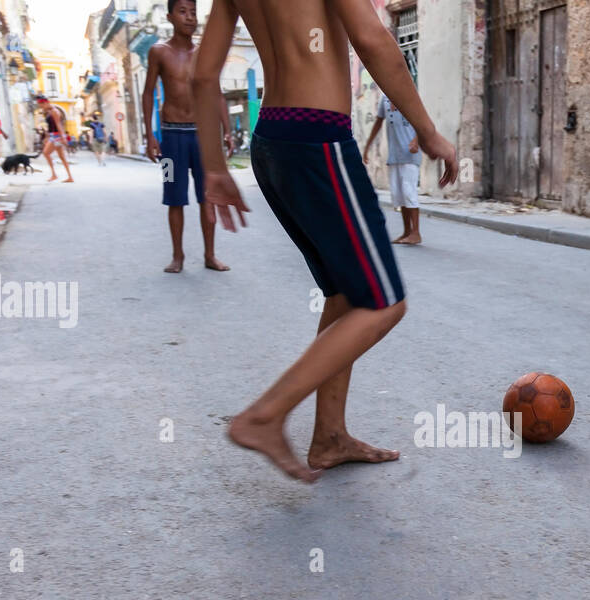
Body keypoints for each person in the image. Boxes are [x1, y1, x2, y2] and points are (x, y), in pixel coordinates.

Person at [194, 0, 457, 481]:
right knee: (383, 303)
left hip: (271, 142)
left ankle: (330, 438)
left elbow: (203, 75)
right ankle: (265, 415)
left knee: (344, 294)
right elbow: (374, 39)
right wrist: (428, 130)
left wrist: (214, 166)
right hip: (318, 139)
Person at [143, 0, 232, 273]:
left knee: (208, 197)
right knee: (174, 197)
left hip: (202, 136)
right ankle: (178, 256)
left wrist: (227, 130)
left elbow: (215, 92)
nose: (190, 17)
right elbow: (148, 93)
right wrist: (150, 136)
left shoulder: (204, 53)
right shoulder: (159, 52)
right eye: (183, 12)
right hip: (171, 138)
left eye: (193, 12)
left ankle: (210, 255)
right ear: (170, 17)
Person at [363, 86, 422, 244]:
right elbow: (378, 122)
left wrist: (416, 140)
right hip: (394, 156)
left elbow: (422, 120)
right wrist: (367, 146)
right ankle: (407, 232)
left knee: (409, 193)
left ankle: (416, 233)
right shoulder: (385, 100)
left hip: (410, 155)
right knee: (399, 195)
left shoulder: (410, 95)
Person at [35, 95, 73, 183]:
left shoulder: (54, 111)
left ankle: (54, 174)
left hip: (57, 137)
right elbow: (51, 126)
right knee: (62, 157)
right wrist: (47, 137)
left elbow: (59, 124)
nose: (41, 107)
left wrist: (63, 137)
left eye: (41, 105)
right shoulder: (50, 111)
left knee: (46, 153)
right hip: (54, 136)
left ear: (46, 102)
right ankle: (69, 177)